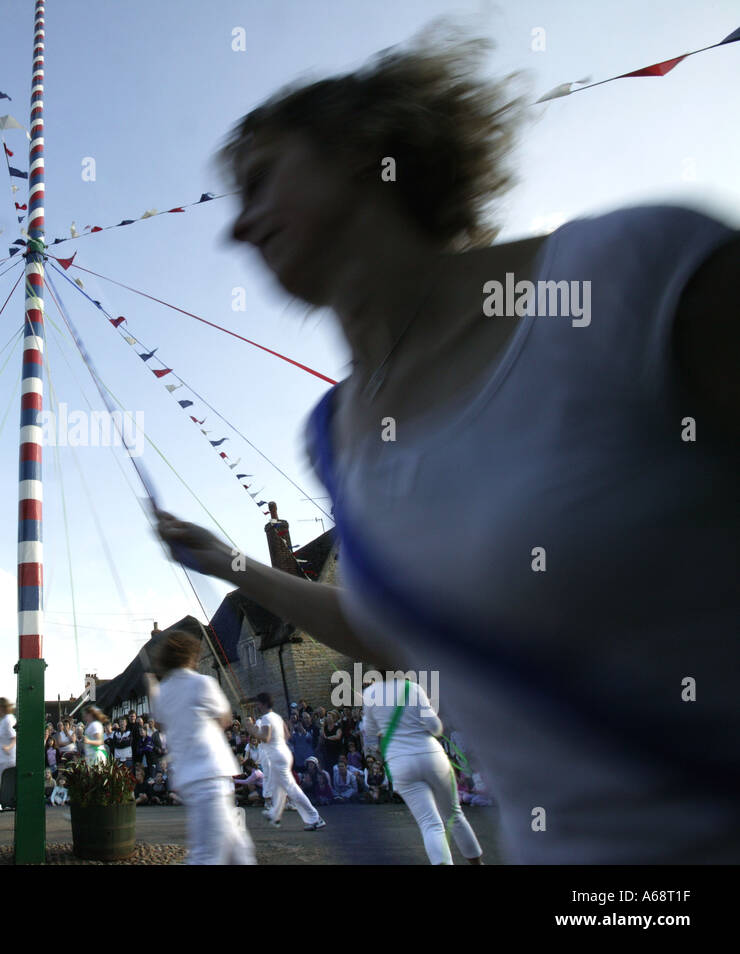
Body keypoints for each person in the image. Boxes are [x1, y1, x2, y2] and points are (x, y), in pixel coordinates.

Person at [155, 24, 740, 864]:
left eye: (259, 181)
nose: (237, 230)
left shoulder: (627, 275)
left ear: (363, 152)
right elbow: (392, 635)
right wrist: (227, 562)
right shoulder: (334, 435)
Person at [147, 629, 254, 865]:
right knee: (207, 855)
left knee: (239, 847)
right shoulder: (202, 683)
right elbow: (225, 718)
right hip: (209, 773)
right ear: (189, 656)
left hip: (190, 775)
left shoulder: (161, 693)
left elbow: (161, 724)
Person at [363, 677, 482, 865]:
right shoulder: (414, 688)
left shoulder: (370, 694)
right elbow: (435, 728)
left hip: (400, 763)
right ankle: (477, 864)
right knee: (454, 816)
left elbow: (369, 732)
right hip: (432, 756)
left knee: (430, 824)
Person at [247, 693, 325, 831]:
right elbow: (287, 735)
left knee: (291, 788)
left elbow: (264, 737)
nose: (257, 706)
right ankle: (275, 815)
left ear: (263, 704)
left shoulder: (265, 718)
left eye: (258, 703)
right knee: (278, 786)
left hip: (277, 757)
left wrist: (251, 728)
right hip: (284, 754)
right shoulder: (277, 717)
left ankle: (315, 817)